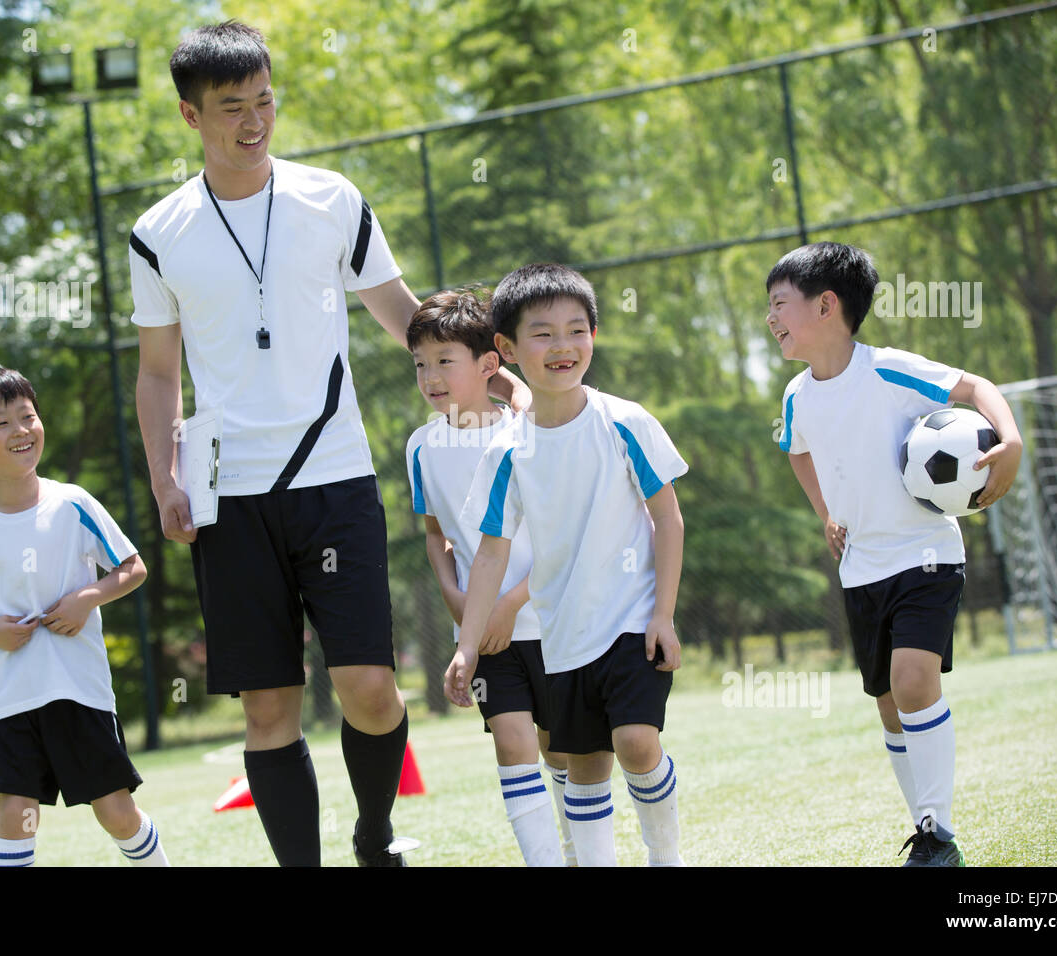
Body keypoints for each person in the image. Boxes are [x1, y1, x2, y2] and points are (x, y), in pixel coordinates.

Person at [128, 21, 527, 867]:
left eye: (265, 101)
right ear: (189, 115)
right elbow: (158, 373)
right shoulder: (157, 232)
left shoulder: (332, 199)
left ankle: (374, 836)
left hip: (335, 480)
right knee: (268, 709)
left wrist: (489, 373)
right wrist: (165, 475)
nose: (254, 121)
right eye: (232, 107)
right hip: (228, 497)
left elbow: (401, 313)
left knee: (371, 692)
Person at [766, 241, 1022, 866]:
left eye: (779, 304)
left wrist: (1009, 439)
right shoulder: (797, 396)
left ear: (826, 305)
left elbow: (975, 386)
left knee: (913, 682)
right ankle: (924, 828)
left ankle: (939, 836)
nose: (770, 319)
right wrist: (827, 512)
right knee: (888, 704)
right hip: (863, 568)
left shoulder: (888, 369)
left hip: (926, 554)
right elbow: (797, 450)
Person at [444, 263, 688, 867]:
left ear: (594, 337)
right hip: (564, 637)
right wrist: (467, 646)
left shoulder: (625, 422)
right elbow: (491, 554)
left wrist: (664, 615)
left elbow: (670, 520)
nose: (563, 346)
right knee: (584, 769)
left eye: (577, 330)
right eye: (543, 333)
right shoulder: (506, 451)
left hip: (632, 621)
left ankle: (668, 858)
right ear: (505, 350)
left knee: (636, 743)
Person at [0, 364, 168, 867]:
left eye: (28, 416)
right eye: (1, 423)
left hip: (78, 688)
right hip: (11, 697)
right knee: (18, 814)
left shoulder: (73, 504)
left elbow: (133, 568)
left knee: (116, 812)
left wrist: (88, 597)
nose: (21, 430)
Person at [405, 288, 575, 866]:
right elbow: (436, 535)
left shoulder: (526, 431)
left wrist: (508, 606)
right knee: (512, 741)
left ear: (486, 366)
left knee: (562, 751)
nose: (430, 377)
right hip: (484, 632)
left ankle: (578, 852)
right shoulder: (420, 447)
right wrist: (460, 604)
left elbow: (562, 536)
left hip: (548, 617)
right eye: (420, 364)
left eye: (444, 361)